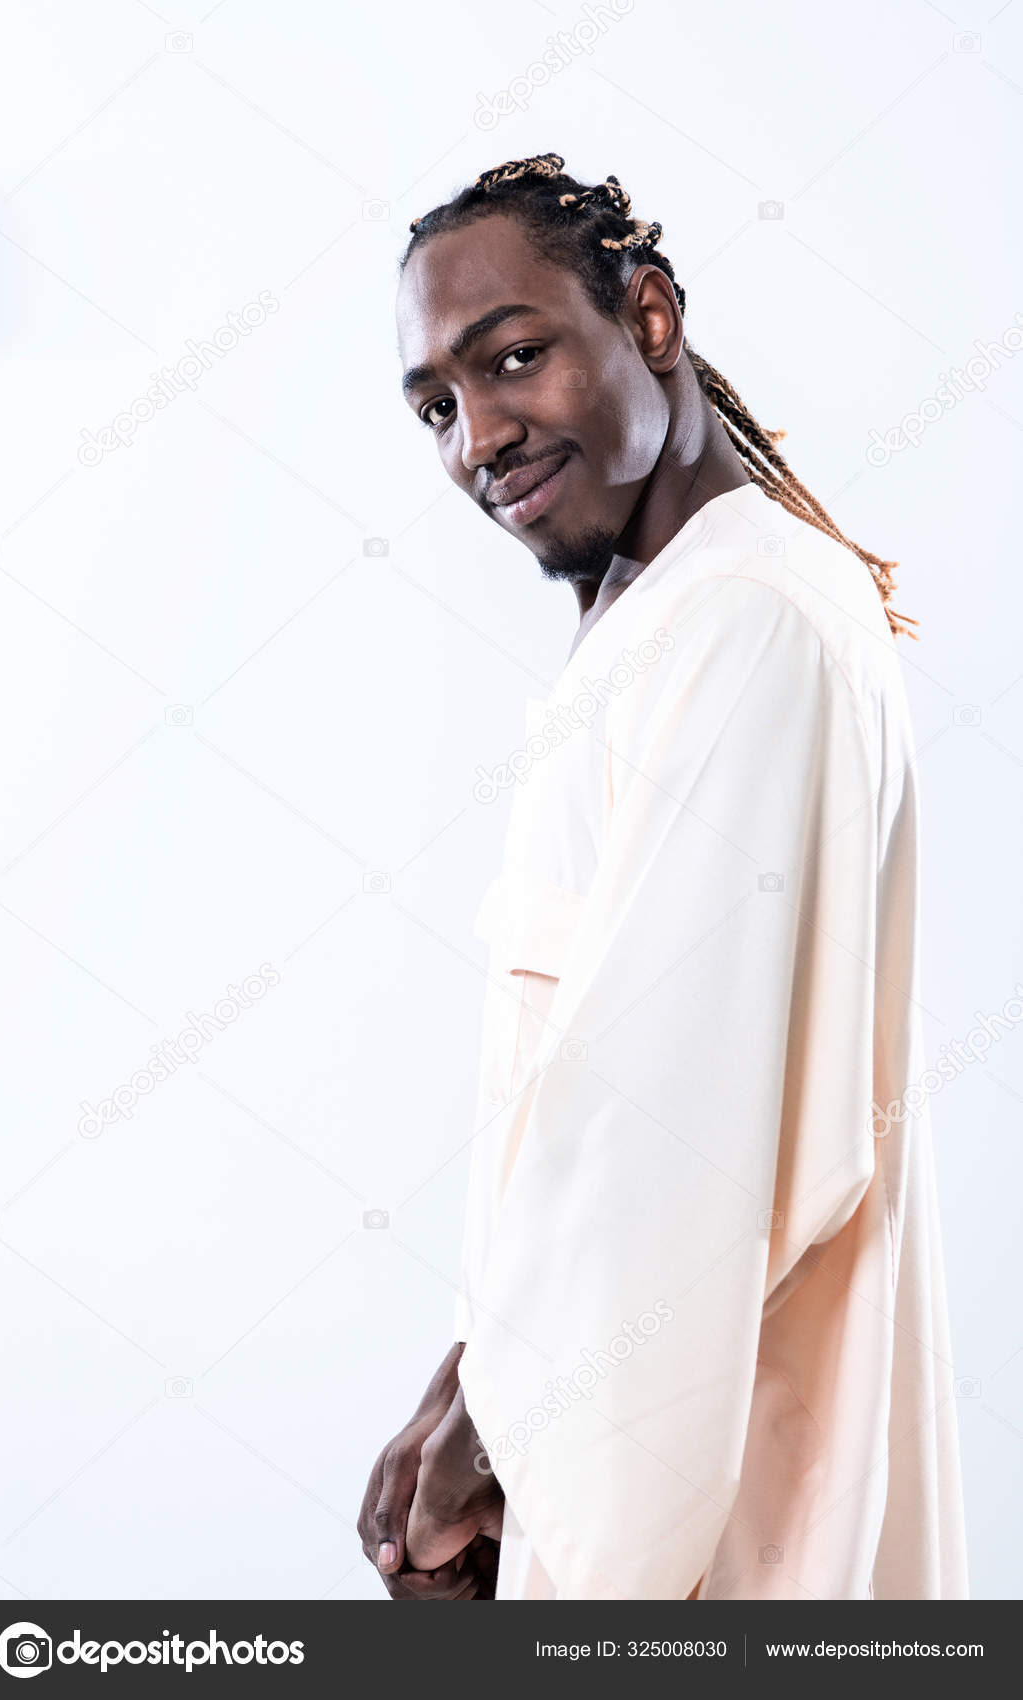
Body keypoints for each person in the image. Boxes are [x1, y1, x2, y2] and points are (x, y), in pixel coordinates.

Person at [357, 152, 968, 1601]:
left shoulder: (746, 616)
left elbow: (667, 1136)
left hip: (719, 1479)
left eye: (514, 360)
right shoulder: (664, 615)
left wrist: (502, 1443)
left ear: (648, 317)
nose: (479, 438)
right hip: (654, 1421)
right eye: (438, 406)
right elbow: (589, 1099)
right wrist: (474, 1376)